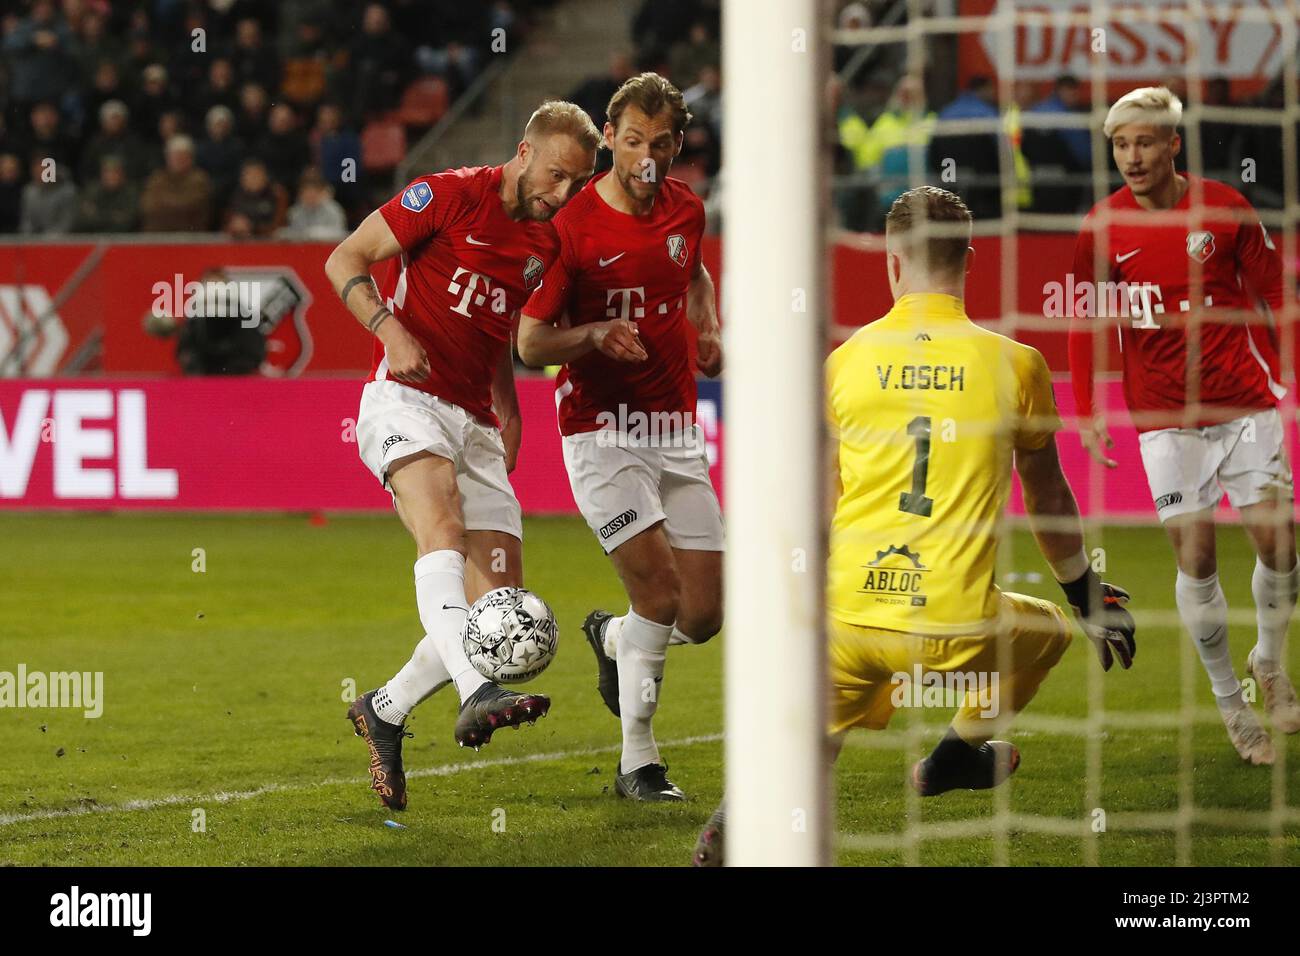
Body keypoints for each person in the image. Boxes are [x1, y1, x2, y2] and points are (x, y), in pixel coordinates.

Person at [693, 186, 1137, 866]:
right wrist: (1085, 594)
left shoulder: (844, 362)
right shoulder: (1018, 364)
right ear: (969, 259)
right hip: (949, 632)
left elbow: (821, 499)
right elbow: (1046, 492)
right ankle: (953, 757)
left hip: (848, 614)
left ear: (891, 260)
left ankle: (738, 816)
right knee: (1047, 633)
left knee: (813, 732)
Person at [323, 101, 599, 811]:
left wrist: (507, 408)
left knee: (502, 615)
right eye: (557, 176)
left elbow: (495, 328)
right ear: (524, 150)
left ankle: (383, 709)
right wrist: (387, 328)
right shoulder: (447, 195)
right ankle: (479, 694)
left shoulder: (544, 242)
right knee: (440, 527)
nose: (562, 195)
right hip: (406, 400)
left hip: (475, 423)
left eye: (578, 184)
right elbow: (343, 258)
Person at [1070, 86, 1300, 764]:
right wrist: (1086, 410)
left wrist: (1288, 370)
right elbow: (1085, 323)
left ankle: (1270, 662)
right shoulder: (1100, 227)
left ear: (1173, 144)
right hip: (1164, 421)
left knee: (1280, 544)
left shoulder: (1225, 207)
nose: (1131, 158)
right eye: (1119, 145)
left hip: (1244, 405)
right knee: (1196, 557)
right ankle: (1233, 705)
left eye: (1143, 143)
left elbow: (1277, 290)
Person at [517, 73, 723, 802]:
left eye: (659, 144)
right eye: (632, 140)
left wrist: (710, 325)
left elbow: (693, 273)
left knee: (704, 615)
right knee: (661, 595)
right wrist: (595, 334)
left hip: (674, 427)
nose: (644, 156)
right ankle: (639, 761)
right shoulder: (567, 230)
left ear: (675, 147)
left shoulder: (687, 209)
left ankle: (612, 638)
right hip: (600, 432)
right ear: (610, 136)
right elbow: (531, 341)